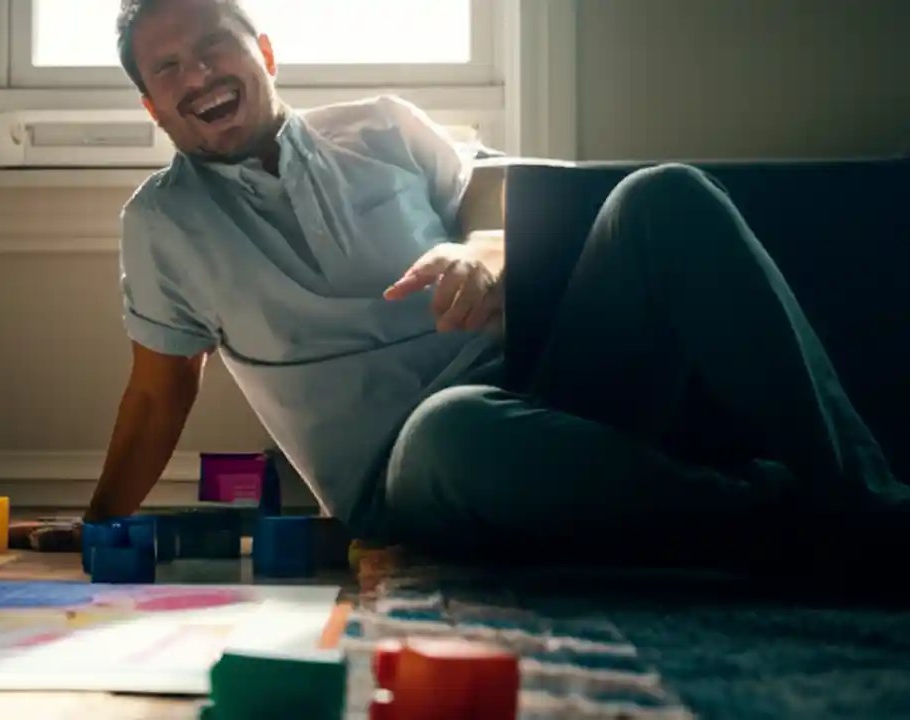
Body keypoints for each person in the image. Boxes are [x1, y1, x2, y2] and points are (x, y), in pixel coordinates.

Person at [83, 0, 907, 567]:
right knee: (450, 431)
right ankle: (769, 515)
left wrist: (481, 254)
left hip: (546, 380)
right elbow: (159, 395)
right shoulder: (160, 224)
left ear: (263, 52)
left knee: (665, 194)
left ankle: (867, 503)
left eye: (214, 45)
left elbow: (503, 216)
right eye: (168, 68)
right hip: (416, 471)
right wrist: (97, 525)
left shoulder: (384, 125)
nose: (198, 74)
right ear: (153, 107)